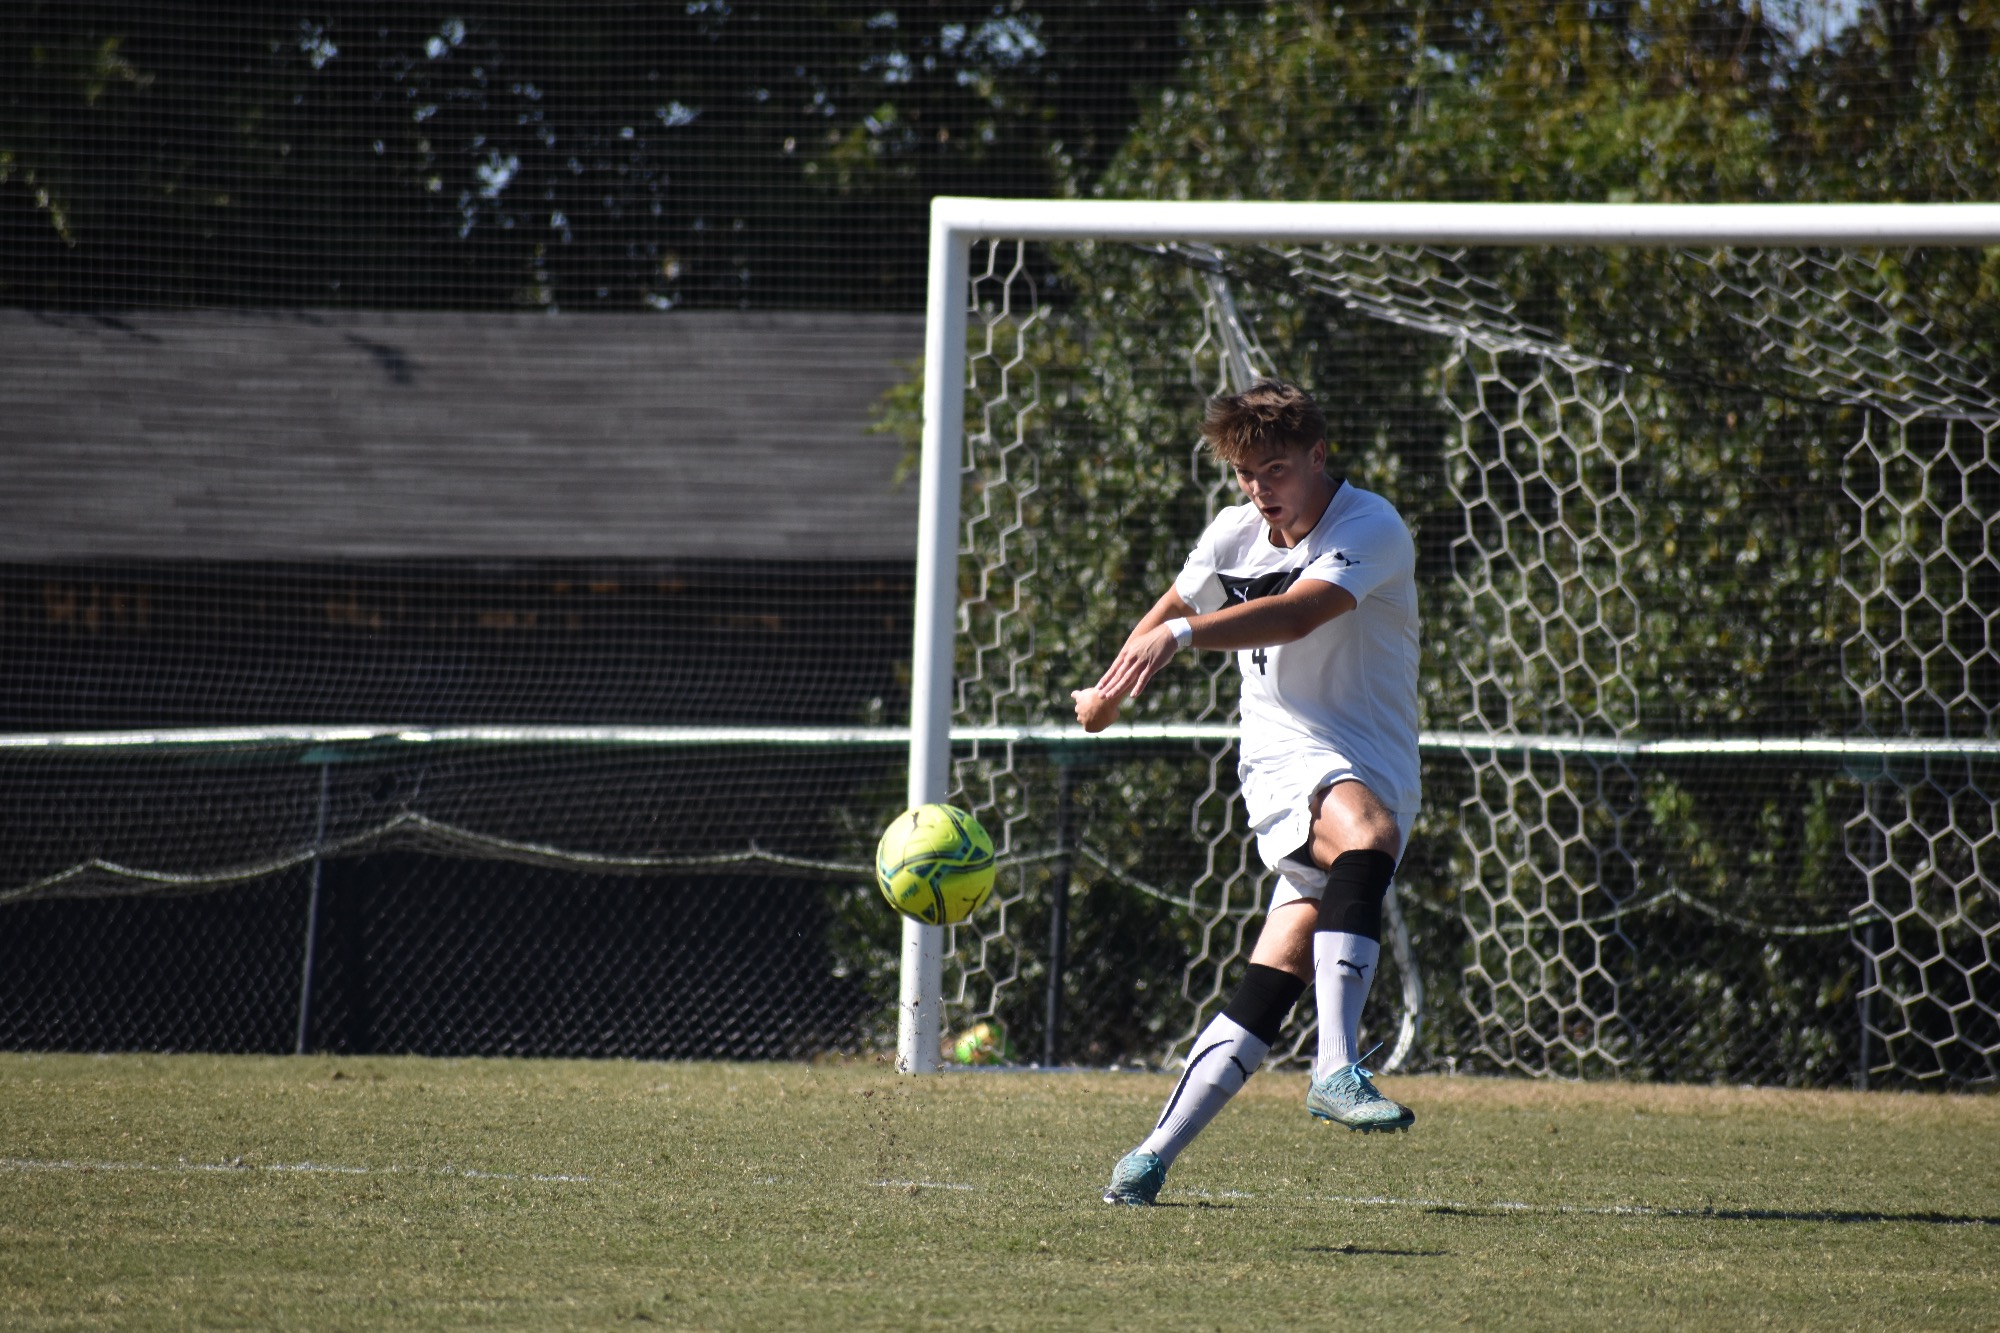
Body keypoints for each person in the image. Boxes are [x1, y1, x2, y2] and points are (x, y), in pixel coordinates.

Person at [1072, 379, 1422, 1207]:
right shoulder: (1235, 531)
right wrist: (1111, 688)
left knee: (1273, 978)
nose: (1258, 491)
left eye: (1273, 469)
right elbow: (1170, 607)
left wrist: (1182, 635)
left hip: (1375, 757)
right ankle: (1337, 1065)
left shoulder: (1369, 525)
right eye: (1243, 473)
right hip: (1284, 757)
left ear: (1317, 457)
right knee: (1363, 833)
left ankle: (1148, 1159)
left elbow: (1300, 614)